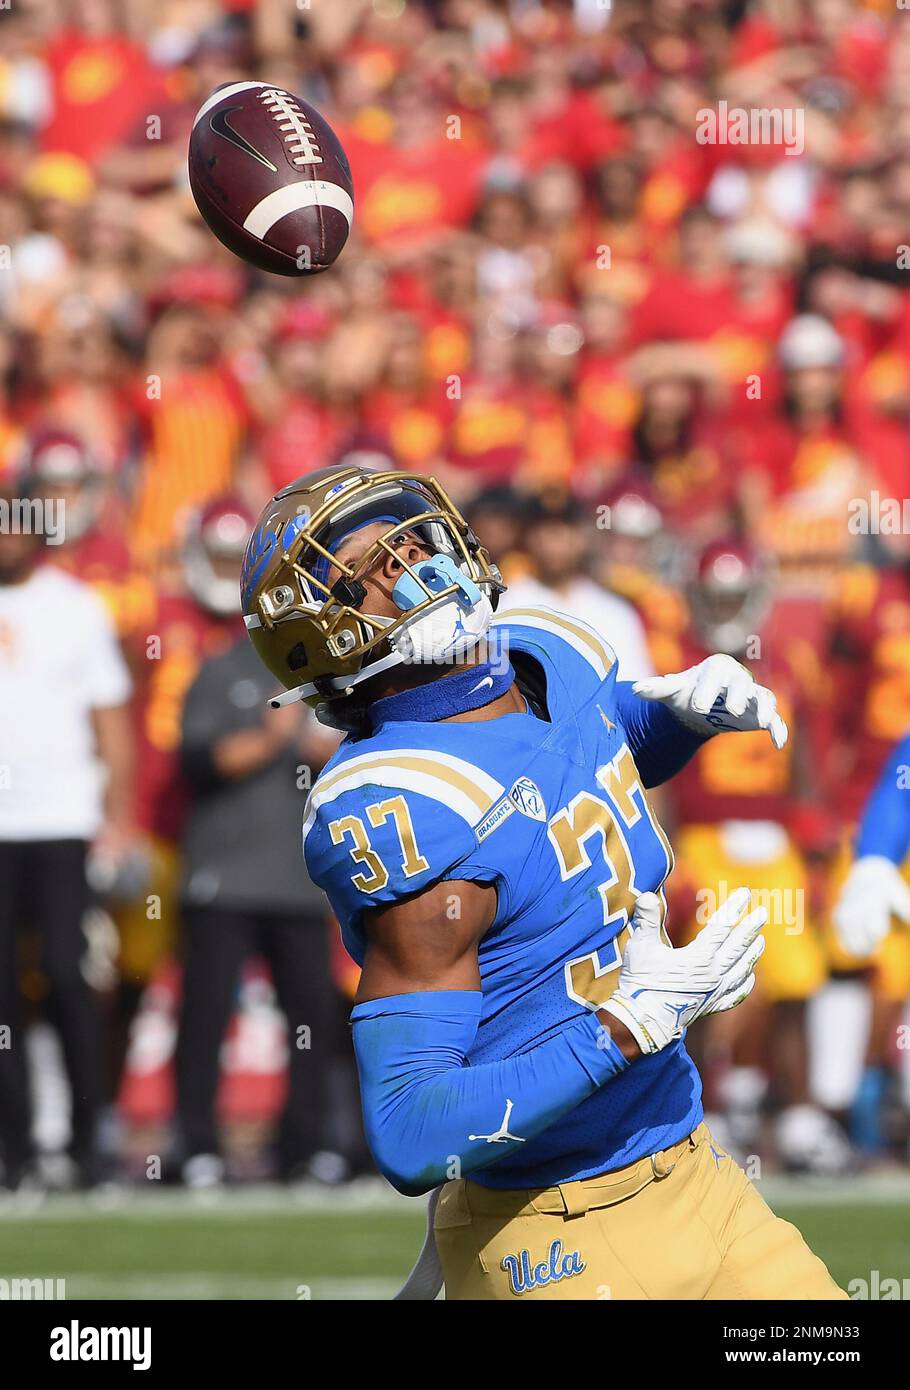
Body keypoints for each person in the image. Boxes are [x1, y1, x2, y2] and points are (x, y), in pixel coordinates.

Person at [240, 462, 845, 1300]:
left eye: (414, 539)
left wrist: (673, 718)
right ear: (327, 633)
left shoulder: (546, 649)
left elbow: (585, 756)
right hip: (553, 1229)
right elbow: (412, 1131)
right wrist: (629, 1025)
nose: (416, 564)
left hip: (697, 1166)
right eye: (377, 565)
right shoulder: (407, 803)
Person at [170, 625, 345, 1187]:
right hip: (224, 879)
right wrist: (273, 739)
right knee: (206, 1016)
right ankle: (195, 1144)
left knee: (312, 1019)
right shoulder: (221, 668)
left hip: (301, 881)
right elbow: (200, 761)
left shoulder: (330, 675)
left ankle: (307, 1146)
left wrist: (335, 753)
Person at [0, 476, 133, 1188]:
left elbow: (111, 718)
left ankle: (88, 1142)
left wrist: (122, 819)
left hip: (60, 819)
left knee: (65, 975)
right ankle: (13, 1150)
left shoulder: (76, 606)